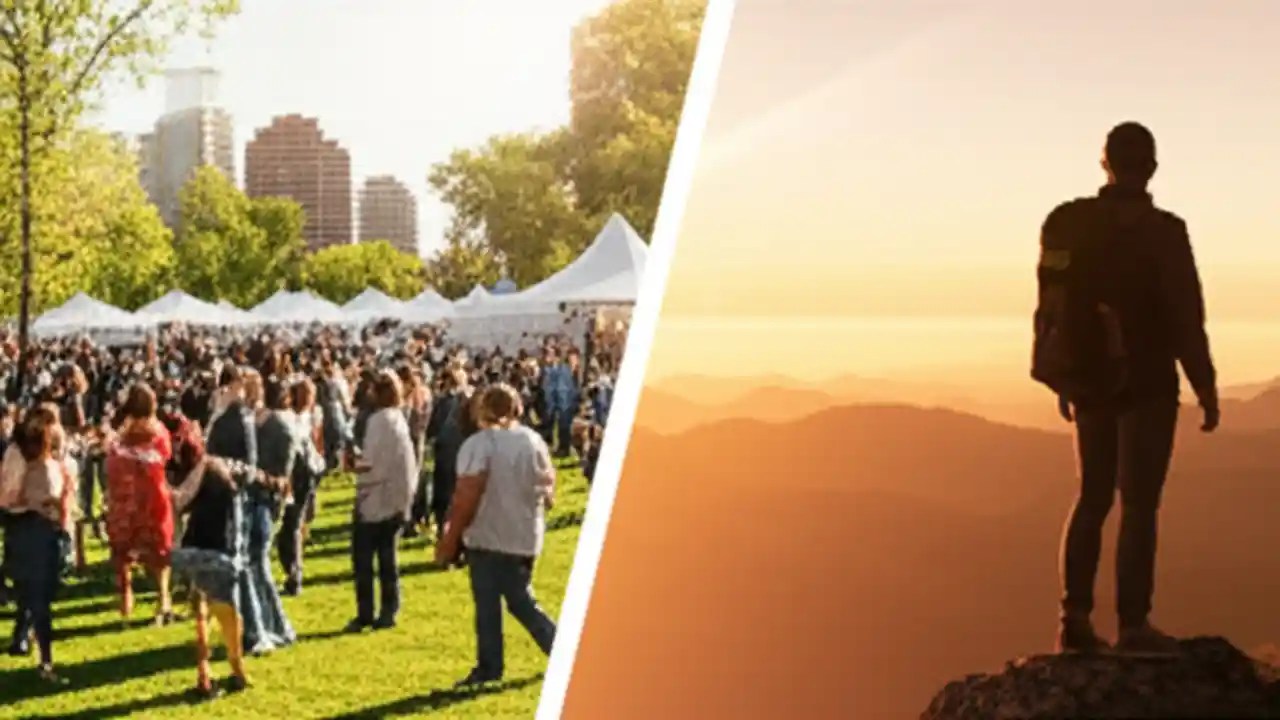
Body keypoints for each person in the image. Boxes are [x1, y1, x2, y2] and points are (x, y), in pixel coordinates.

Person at [1033, 121, 1219, 656]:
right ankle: (1133, 626)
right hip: (1149, 381)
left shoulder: (1067, 223)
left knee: (1092, 496)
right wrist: (1204, 385)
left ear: (1105, 163)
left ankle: (1074, 620)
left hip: (1090, 379)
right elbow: (1186, 315)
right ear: (1152, 167)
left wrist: (1063, 370)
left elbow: (1051, 302)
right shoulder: (1166, 232)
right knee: (1139, 504)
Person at [437, 383, 557, 687]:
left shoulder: (479, 445)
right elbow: (548, 490)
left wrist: (450, 538)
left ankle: (493, 664)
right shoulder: (532, 440)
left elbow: (467, 495)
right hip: (526, 533)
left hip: (490, 533)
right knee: (519, 599)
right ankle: (499, 663)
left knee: (495, 604)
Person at [3, 405, 76, 682]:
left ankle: (34, 646)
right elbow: (9, 496)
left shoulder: (47, 459)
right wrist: (36, 502)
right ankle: (43, 658)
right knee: (38, 598)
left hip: (42, 531)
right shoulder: (23, 457)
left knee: (38, 595)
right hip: (33, 530)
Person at [346, 370, 418, 633]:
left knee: (364, 559)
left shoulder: (379, 421)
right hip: (397, 497)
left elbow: (372, 464)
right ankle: (389, 609)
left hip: (377, 498)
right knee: (388, 558)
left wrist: (352, 464)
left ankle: (365, 612)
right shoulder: (398, 417)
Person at [104, 384, 178, 625]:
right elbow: (165, 458)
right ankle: (163, 598)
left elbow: (112, 467)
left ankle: (126, 595)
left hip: (125, 497)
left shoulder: (119, 440)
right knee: (159, 549)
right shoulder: (159, 433)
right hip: (153, 496)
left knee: (123, 548)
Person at [241, 370, 296, 655]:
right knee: (252, 566)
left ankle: (277, 626)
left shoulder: (276, 427)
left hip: (263, 501)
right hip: (249, 500)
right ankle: (265, 625)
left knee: (258, 564)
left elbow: (282, 476)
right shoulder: (246, 424)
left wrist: (259, 478)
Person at [277, 378, 325, 596]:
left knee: (292, 526)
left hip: (299, 474)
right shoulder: (305, 417)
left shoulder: (294, 419)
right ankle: (293, 571)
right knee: (293, 525)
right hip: (306, 473)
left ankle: (294, 573)